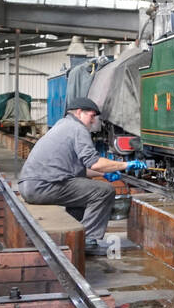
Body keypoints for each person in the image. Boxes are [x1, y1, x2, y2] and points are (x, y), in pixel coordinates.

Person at [17, 97, 146, 257]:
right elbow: (94, 162)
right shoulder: (78, 129)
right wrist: (125, 165)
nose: (93, 121)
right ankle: (87, 241)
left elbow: (77, 169)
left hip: (29, 186)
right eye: (91, 116)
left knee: (84, 190)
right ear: (79, 112)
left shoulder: (62, 125)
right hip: (43, 187)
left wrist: (105, 173)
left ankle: (74, 236)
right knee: (104, 191)